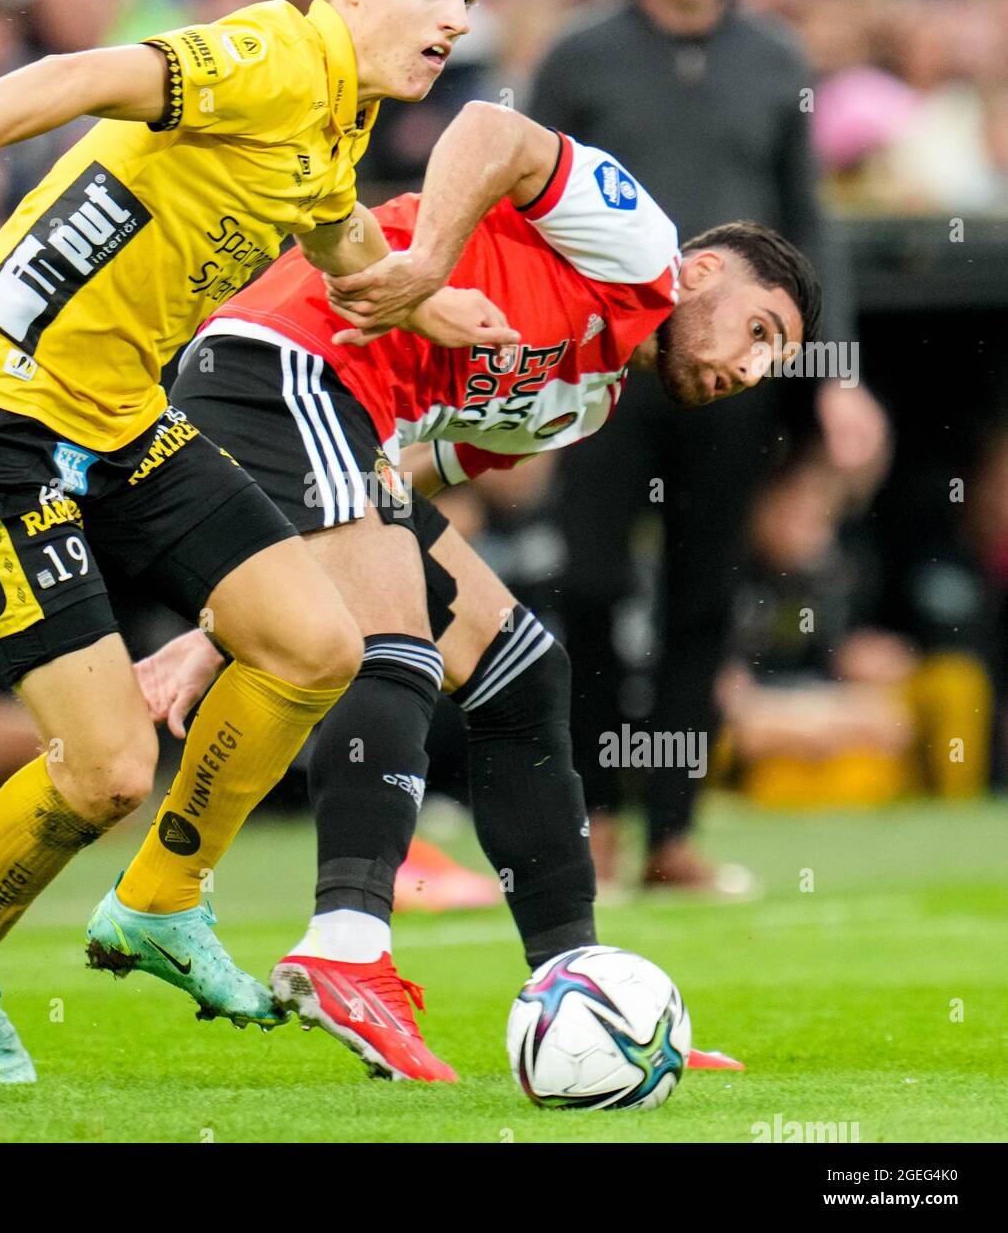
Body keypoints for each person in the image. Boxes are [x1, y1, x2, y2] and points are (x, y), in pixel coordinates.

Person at [0, 0, 505, 1085]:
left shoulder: (335, 111)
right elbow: (80, 74)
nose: (455, 17)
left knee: (312, 642)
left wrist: (446, 308)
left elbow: (342, 241)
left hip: (119, 415)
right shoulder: (271, 59)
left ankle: (157, 902)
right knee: (106, 771)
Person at [136, 99, 820, 1080]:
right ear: (704, 275)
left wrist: (223, 622)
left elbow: (395, 483)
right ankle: (345, 947)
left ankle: (582, 983)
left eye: (773, 361)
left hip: (340, 432)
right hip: (283, 362)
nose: (749, 369)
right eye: (757, 330)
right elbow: (490, 131)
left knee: (520, 670)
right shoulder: (643, 245)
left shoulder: (582, 403)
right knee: (398, 643)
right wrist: (422, 267)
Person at [525, 0, 886, 890]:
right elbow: (528, 210)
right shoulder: (579, 59)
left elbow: (808, 228)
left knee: (702, 595)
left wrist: (836, 373)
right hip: (602, 370)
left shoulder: (776, 60)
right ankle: (589, 815)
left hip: (736, 378)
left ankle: (670, 834)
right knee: (586, 583)